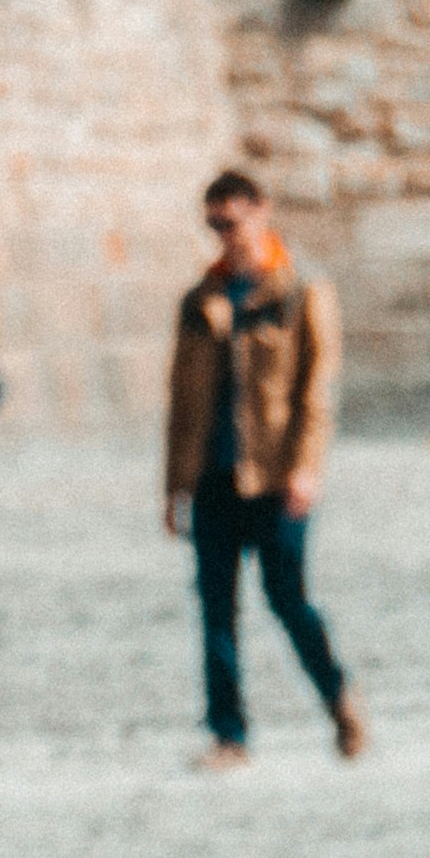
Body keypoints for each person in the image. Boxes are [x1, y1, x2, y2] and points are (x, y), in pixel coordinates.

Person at [166, 171, 367, 769]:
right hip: (214, 476)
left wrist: (307, 469)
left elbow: (317, 388)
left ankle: (338, 697)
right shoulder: (200, 298)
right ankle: (230, 736)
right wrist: (174, 485)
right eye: (214, 224)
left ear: (261, 211)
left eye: (231, 221)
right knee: (215, 608)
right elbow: (183, 402)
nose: (223, 235)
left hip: (276, 475)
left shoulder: (301, 289)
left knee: (286, 597)